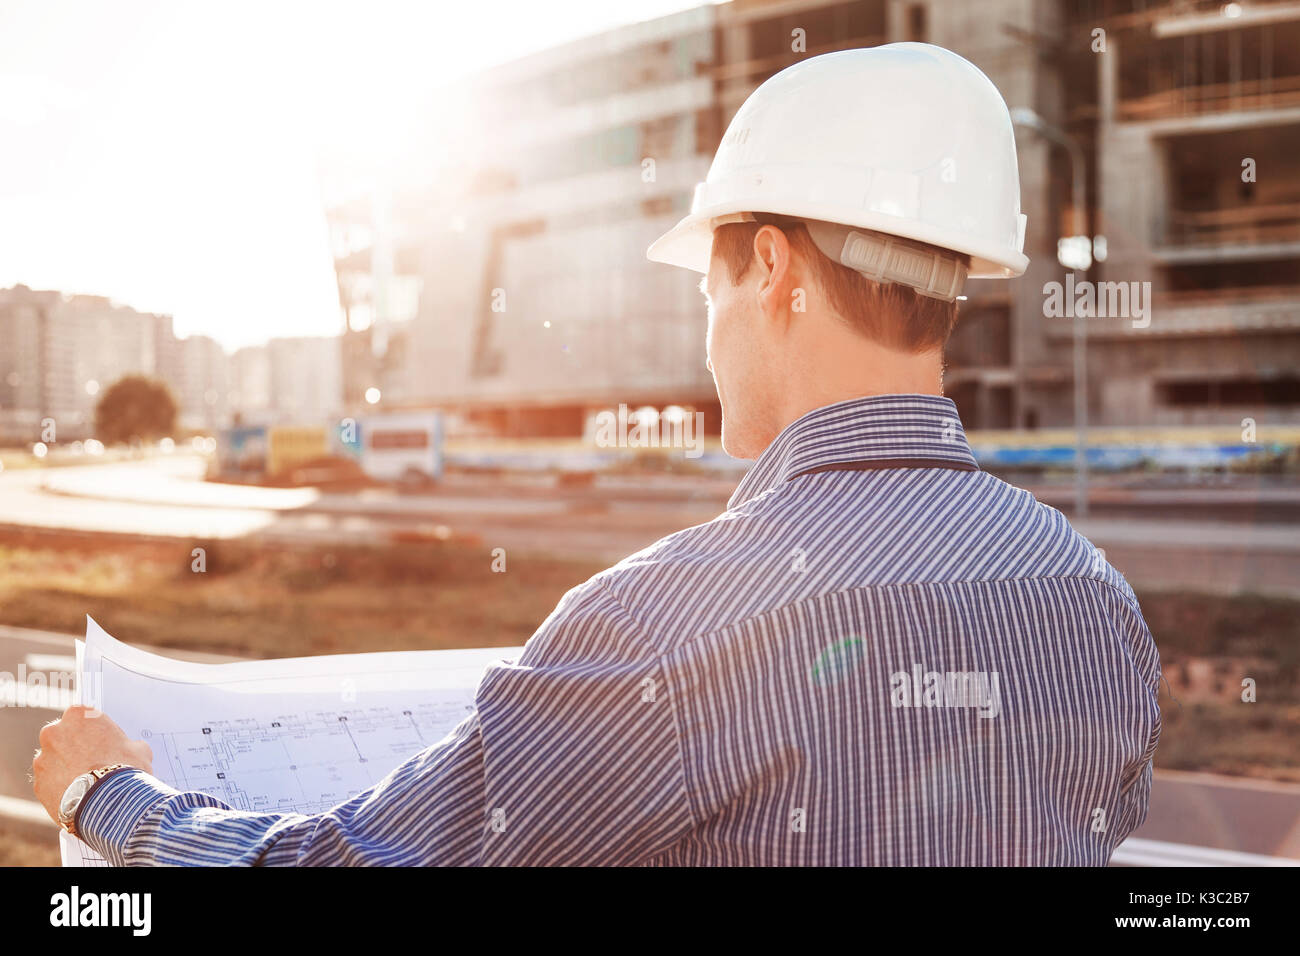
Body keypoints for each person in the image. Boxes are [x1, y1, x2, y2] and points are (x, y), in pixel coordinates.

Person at [33, 43, 1160, 866]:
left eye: (709, 288)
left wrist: (107, 792)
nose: (708, 334)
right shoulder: (1096, 602)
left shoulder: (664, 626)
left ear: (770, 269)